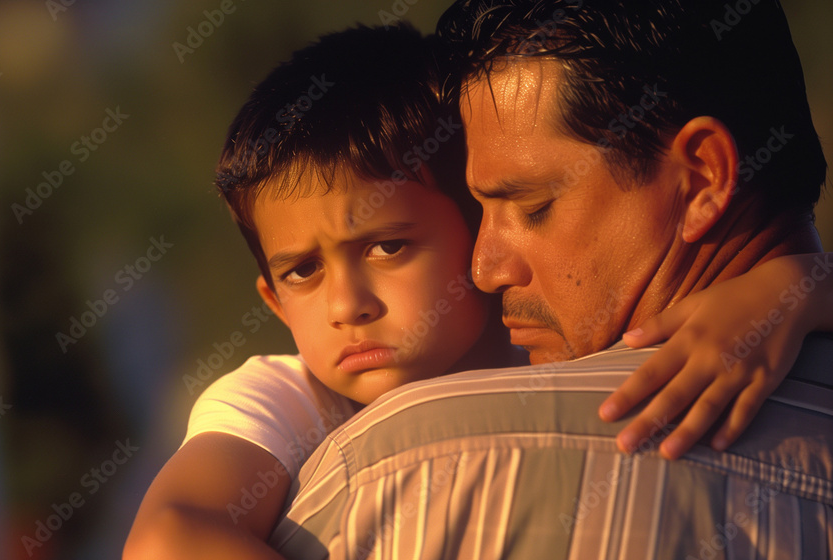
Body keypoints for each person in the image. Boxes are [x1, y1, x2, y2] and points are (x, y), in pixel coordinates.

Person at [125, 19, 832, 560]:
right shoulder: (283, 399)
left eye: (388, 246)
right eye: (302, 270)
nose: (348, 306)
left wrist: (791, 287)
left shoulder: (549, 338)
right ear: (273, 301)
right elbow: (171, 534)